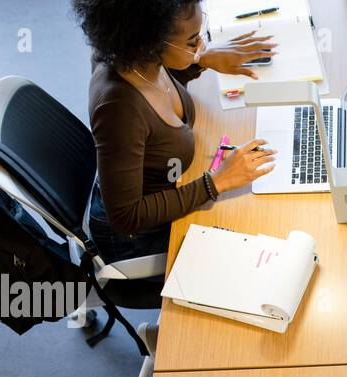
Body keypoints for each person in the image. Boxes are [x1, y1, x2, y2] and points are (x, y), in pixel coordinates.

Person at [72, 0, 279, 261]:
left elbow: (160, 86)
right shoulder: (120, 109)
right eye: (193, 41)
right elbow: (127, 216)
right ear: (151, 43)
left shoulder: (135, 58)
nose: (201, 44)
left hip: (171, 186)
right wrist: (216, 182)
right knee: (265, 235)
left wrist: (200, 60)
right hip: (138, 240)